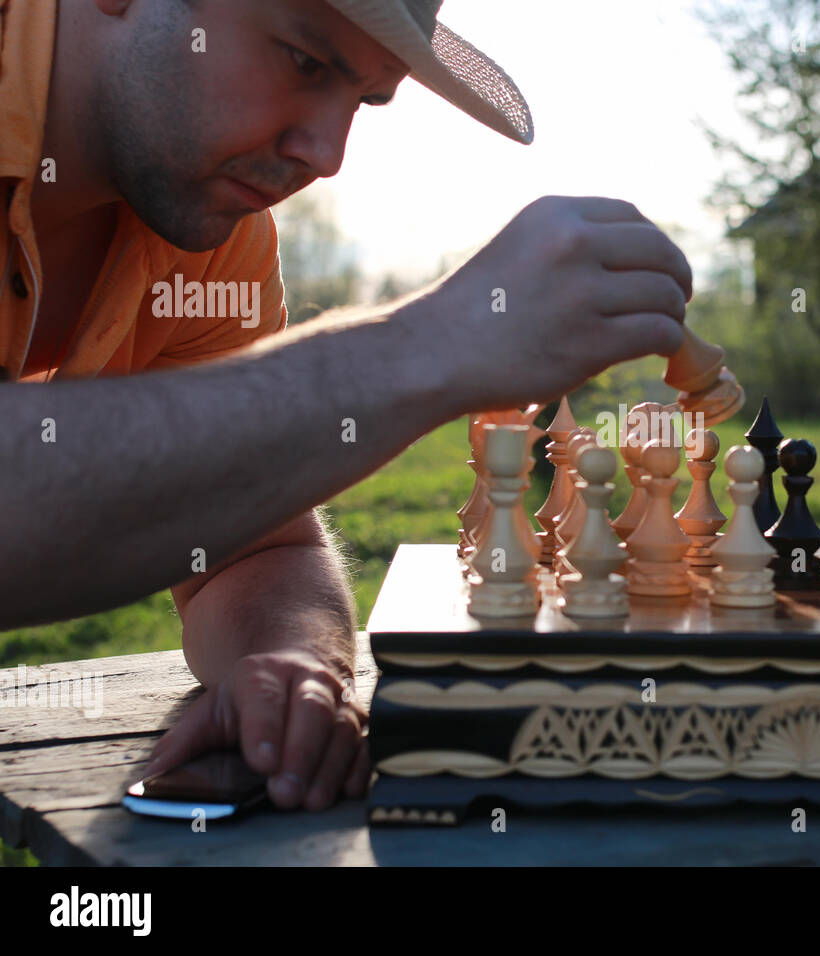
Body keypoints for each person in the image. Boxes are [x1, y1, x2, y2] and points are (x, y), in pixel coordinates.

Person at [0, 0, 691, 811]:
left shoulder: (210, 225)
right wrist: (423, 346)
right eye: (304, 62)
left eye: (362, 100)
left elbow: (246, 544)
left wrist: (290, 661)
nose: (326, 155)